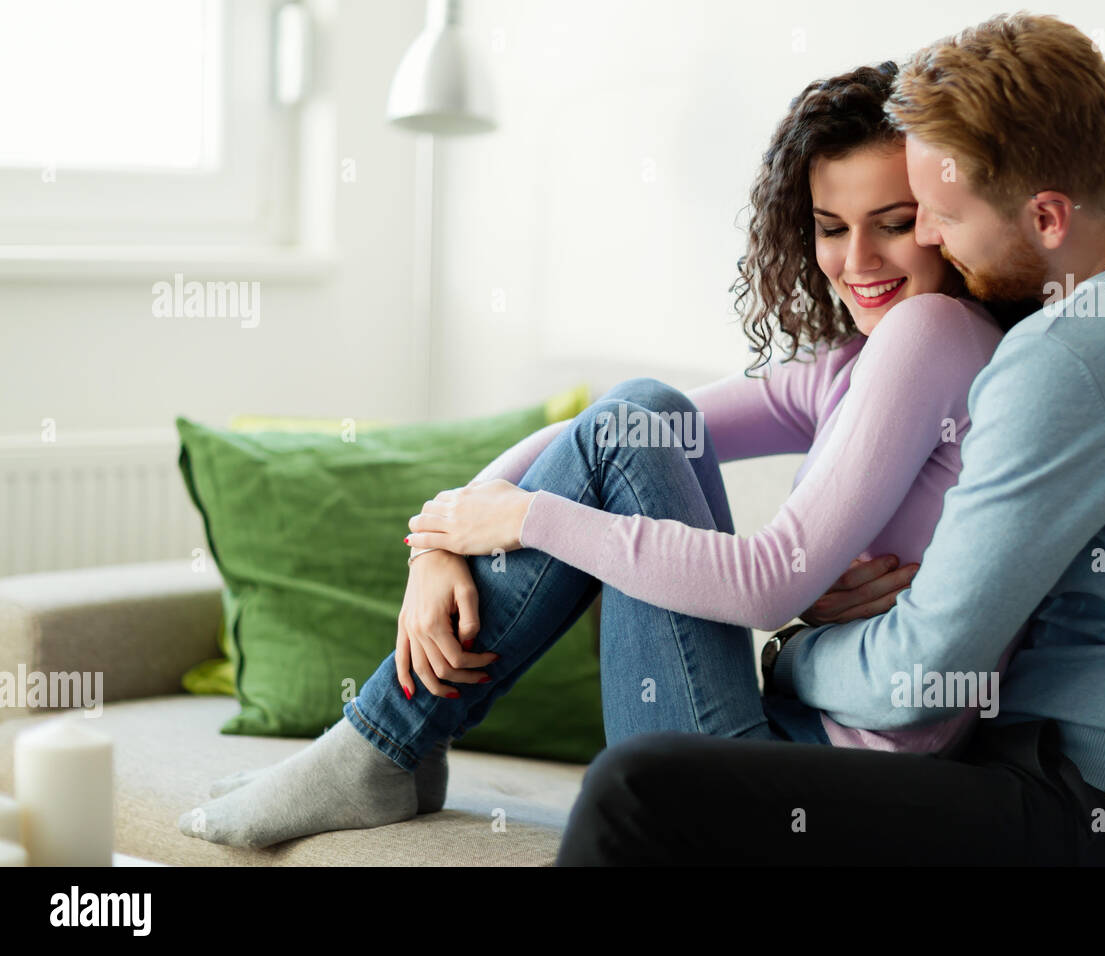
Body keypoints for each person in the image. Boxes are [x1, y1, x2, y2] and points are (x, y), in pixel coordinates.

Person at [175, 62, 1029, 849]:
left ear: (944, 222)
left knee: (638, 419)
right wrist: (442, 534)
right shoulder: (851, 366)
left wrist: (525, 517)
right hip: (777, 745)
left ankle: (380, 746)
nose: (856, 261)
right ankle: (385, 746)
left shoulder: (935, 331)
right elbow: (595, 435)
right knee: (643, 412)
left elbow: (771, 581)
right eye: (831, 228)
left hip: (804, 788)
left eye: (894, 224)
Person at [554, 12, 1105, 866]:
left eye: (940, 215)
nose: (932, 243)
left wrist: (792, 652)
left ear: (1049, 217)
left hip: (1104, 820)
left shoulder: (1068, 360)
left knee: (639, 786)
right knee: (638, 418)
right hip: (1091, 789)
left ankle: (392, 737)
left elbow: (919, 679)